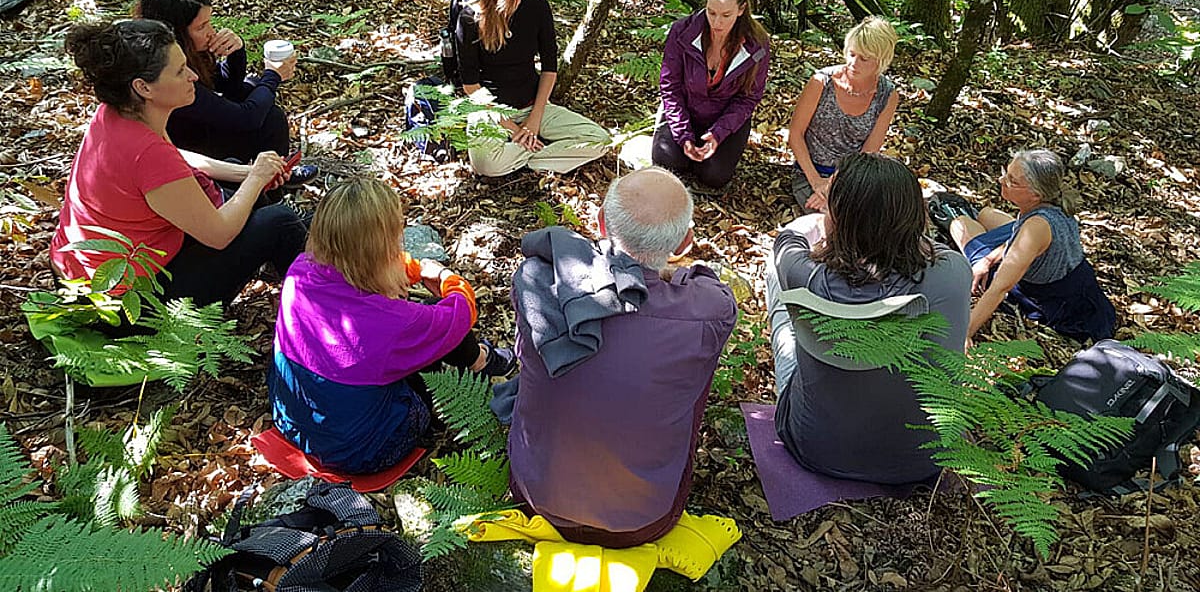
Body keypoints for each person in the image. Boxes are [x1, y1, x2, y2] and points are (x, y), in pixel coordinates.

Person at [508, 167, 737, 547]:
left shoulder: (536, 279)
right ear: (684, 242)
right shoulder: (709, 311)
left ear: (600, 222)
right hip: (643, 519)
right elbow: (708, 284)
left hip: (536, 498)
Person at [51, 20, 307, 307]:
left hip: (81, 273)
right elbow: (219, 234)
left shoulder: (117, 113)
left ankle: (306, 244)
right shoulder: (146, 151)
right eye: (179, 71)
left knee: (234, 172)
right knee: (280, 222)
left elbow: (174, 163)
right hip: (122, 300)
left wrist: (245, 173)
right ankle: (322, 316)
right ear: (143, 87)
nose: (193, 76)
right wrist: (256, 178)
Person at [269, 177, 515, 474]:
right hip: (363, 453)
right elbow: (461, 315)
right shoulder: (396, 322)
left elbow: (362, 269)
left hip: (292, 421)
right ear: (383, 248)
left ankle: (479, 362)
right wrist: (449, 279)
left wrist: (412, 268)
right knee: (433, 333)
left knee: (410, 339)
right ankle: (481, 363)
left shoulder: (299, 271)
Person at [767, 153, 971, 483]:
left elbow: (788, 239)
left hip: (811, 446)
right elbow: (925, 250)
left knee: (779, 290)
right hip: (920, 461)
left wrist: (820, 230)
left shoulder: (804, 273)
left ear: (838, 219)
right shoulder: (952, 274)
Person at [134, 0, 315, 183]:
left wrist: (236, 52)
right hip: (188, 151)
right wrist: (272, 76)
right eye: (202, 26)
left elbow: (228, 86)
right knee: (266, 112)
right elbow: (245, 118)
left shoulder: (188, 55)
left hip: (200, 131)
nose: (211, 32)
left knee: (255, 92)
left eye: (210, 22)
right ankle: (271, 188)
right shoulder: (165, 75)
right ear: (175, 32)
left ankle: (278, 175)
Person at [454, 0, 609, 177]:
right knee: (486, 166)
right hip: (491, 112)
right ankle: (538, 150)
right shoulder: (469, 18)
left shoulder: (536, 8)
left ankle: (528, 154)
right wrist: (515, 129)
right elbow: (471, 86)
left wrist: (534, 121)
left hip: (533, 106)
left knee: (599, 140)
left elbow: (549, 68)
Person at [928, 149, 1116, 341]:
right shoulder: (1053, 205)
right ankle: (977, 220)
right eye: (1005, 173)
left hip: (1056, 303)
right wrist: (989, 259)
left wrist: (964, 334)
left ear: (1036, 194)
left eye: (1012, 181)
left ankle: (960, 219)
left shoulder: (1036, 227)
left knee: (960, 225)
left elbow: (1000, 287)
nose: (1001, 181)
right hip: (1076, 284)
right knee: (987, 214)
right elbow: (1018, 243)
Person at [653, 0, 771, 189]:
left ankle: (707, 153)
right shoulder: (683, 31)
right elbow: (670, 87)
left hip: (725, 117)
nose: (717, 22)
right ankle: (687, 148)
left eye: (726, 15)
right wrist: (683, 134)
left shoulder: (757, 44)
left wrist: (718, 134)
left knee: (714, 176)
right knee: (667, 162)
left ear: (741, 9)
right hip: (686, 109)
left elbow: (748, 98)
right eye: (711, 12)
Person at [788, 16, 900, 212]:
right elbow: (795, 134)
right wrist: (818, 184)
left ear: (881, 61)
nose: (853, 63)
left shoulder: (887, 95)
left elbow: (869, 152)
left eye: (864, 58)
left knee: (881, 215)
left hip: (855, 176)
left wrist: (835, 184)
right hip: (811, 172)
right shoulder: (822, 82)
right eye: (851, 54)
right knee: (835, 217)